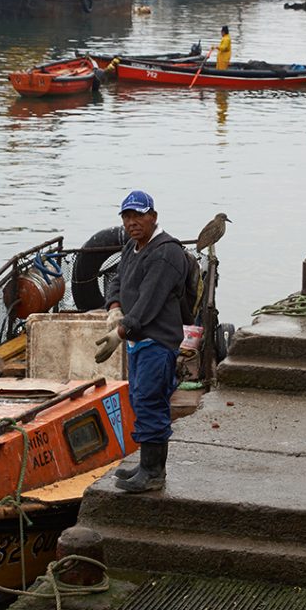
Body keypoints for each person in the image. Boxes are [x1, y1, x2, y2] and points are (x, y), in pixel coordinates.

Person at [95, 190, 187, 493]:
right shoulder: (131, 247)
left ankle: (153, 472)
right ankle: (147, 464)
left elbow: (150, 302)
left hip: (157, 342)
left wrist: (119, 333)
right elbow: (118, 280)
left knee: (150, 401)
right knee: (139, 399)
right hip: (138, 341)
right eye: (127, 217)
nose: (133, 222)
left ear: (153, 217)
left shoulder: (165, 253)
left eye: (139, 215)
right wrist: (114, 307)